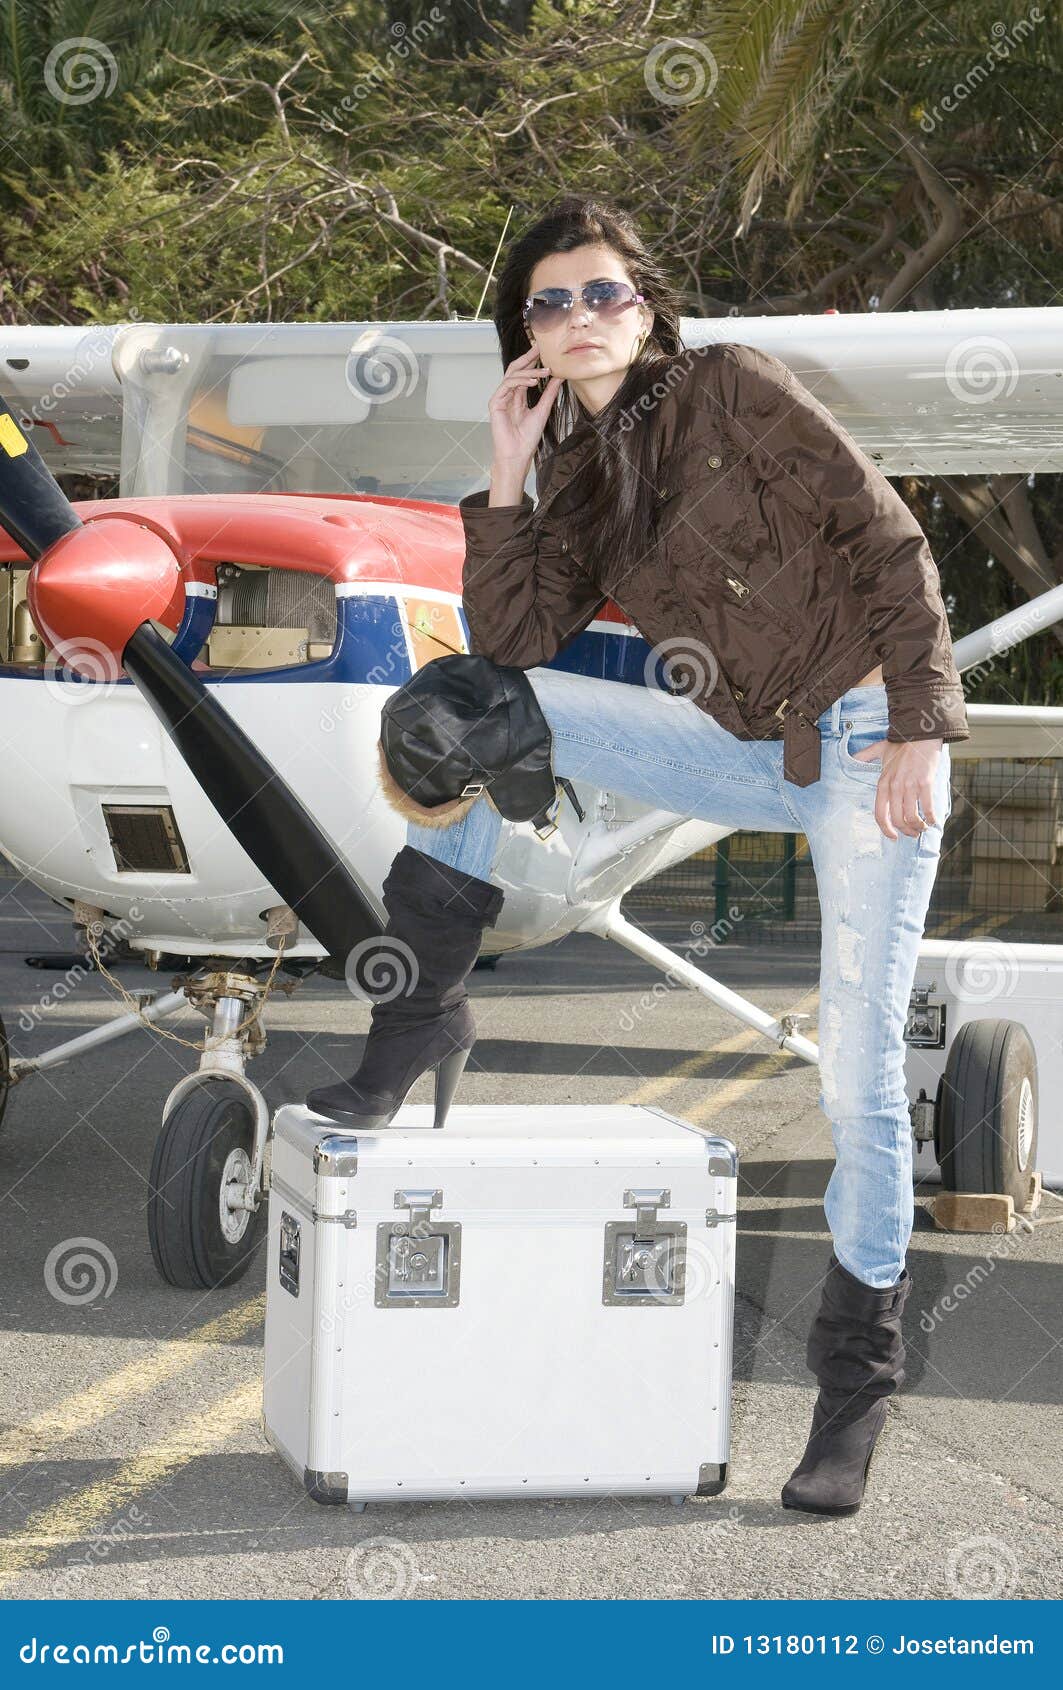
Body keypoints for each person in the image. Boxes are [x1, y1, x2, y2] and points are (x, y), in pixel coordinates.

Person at [306, 194, 970, 1516]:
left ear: (649, 308)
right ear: (529, 337)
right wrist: (506, 466)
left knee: (856, 1072)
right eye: (550, 303)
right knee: (476, 708)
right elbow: (514, 639)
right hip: (742, 746)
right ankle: (419, 1021)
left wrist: (923, 722)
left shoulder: (731, 387)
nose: (579, 318)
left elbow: (886, 535)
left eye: (602, 293)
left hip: (860, 741)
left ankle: (856, 1384)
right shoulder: (571, 470)